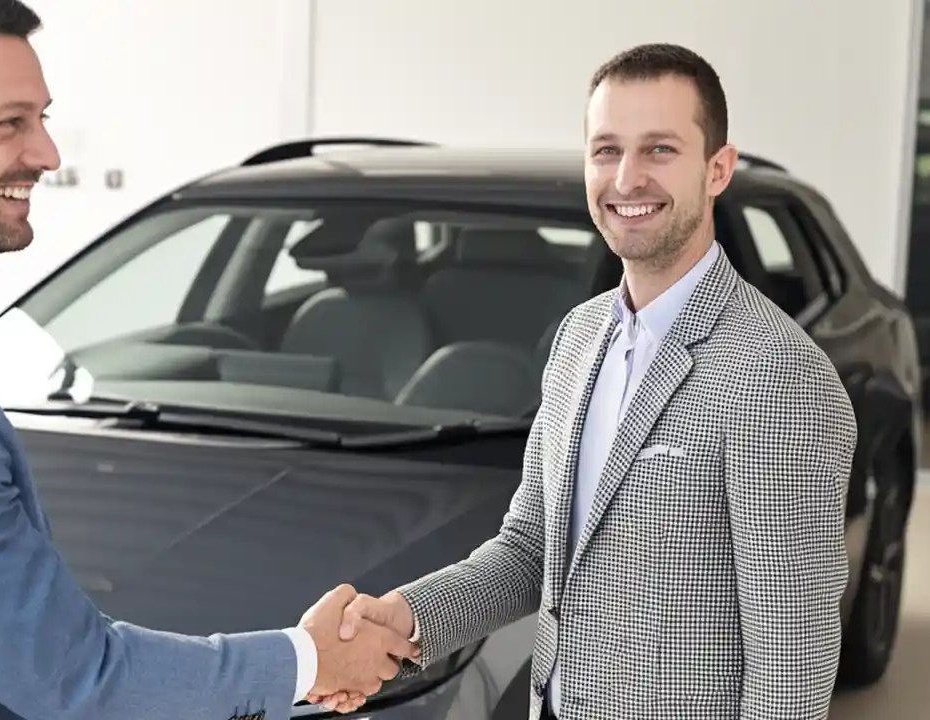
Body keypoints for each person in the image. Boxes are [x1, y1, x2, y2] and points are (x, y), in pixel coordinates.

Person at [0, 2, 416, 718]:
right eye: (9, 123)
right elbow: (83, 683)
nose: (47, 154)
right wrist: (310, 660)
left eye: (41, 118)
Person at [320, 43, 858, 719]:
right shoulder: (579, 336)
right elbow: (529, 551)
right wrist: (404, 618)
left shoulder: (780, 375)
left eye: (659, 149)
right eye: (606, 150)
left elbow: (792, 660)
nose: (627, 178)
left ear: (718, 169)